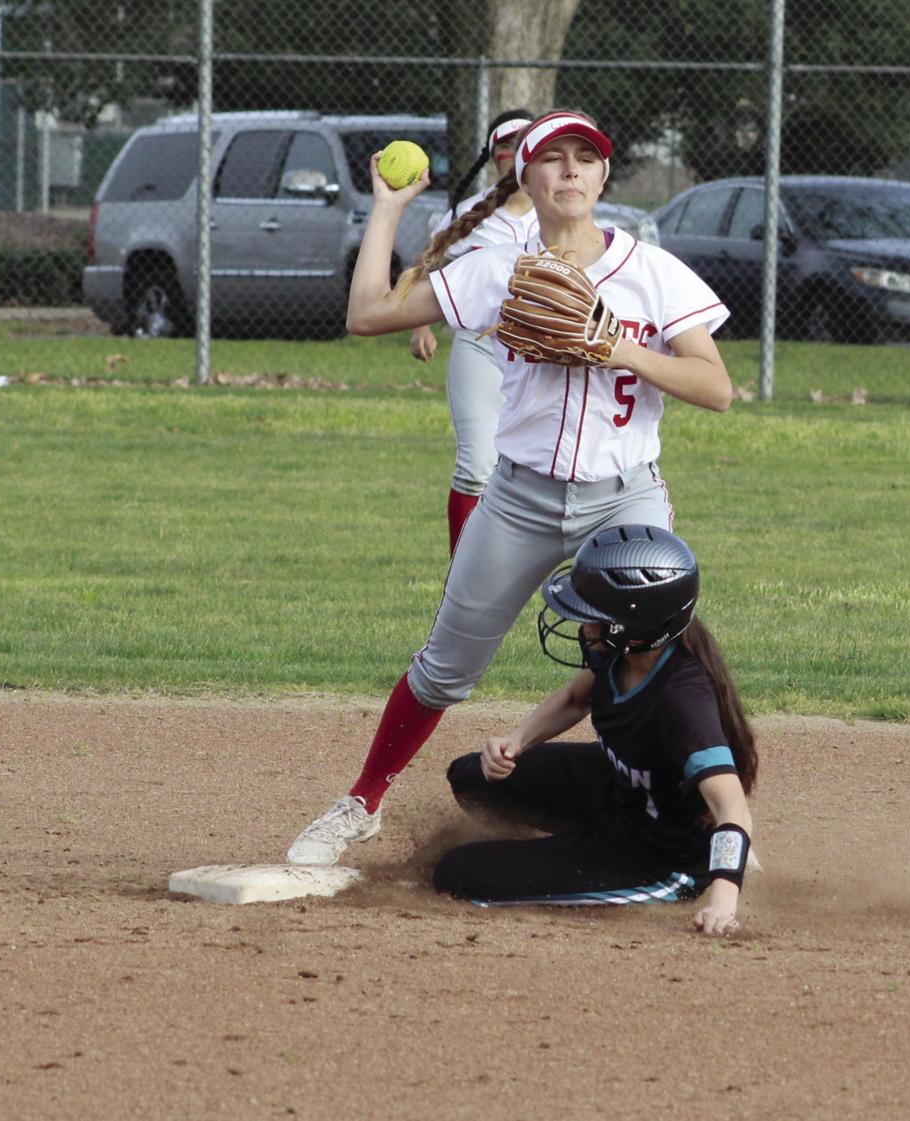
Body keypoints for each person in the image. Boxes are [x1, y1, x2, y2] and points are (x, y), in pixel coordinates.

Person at [286, 109, 733, 867]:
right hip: (519, 496)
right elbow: (368, 315)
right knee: (443, 668)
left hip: (624, 500)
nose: (569, 171)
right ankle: (361, 802)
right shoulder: (499, 266)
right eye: (551, 159)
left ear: (602, 176)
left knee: (660, 659)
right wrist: (389, 209)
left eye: (584, 159)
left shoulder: (652, 271)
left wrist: (622, 347)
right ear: (523, 175)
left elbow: (716, 387)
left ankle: (711, 822)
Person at [432, 524, 757, 937]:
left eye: (592, 617)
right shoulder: (620, 652)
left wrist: (722, 902)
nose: (581, 625)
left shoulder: (682, 701)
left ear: (631, 626)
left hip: (655, 853)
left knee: (456, 874)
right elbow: (574, 699)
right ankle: (576, 843)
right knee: (470, 775)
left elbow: (734, 809)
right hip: (617, 786)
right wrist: (517, 741)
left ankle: (661, 877)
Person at [407, 108, 539, 555]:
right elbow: (427, 269)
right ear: (494, 157)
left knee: (547, 470)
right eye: (508, 147)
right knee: (475, 466)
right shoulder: (468, 214)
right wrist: (421, 324)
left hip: (546, 355)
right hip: (480, 346)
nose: (517, 155)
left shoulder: (561, 212)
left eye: (527, 145)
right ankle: (464, 577)